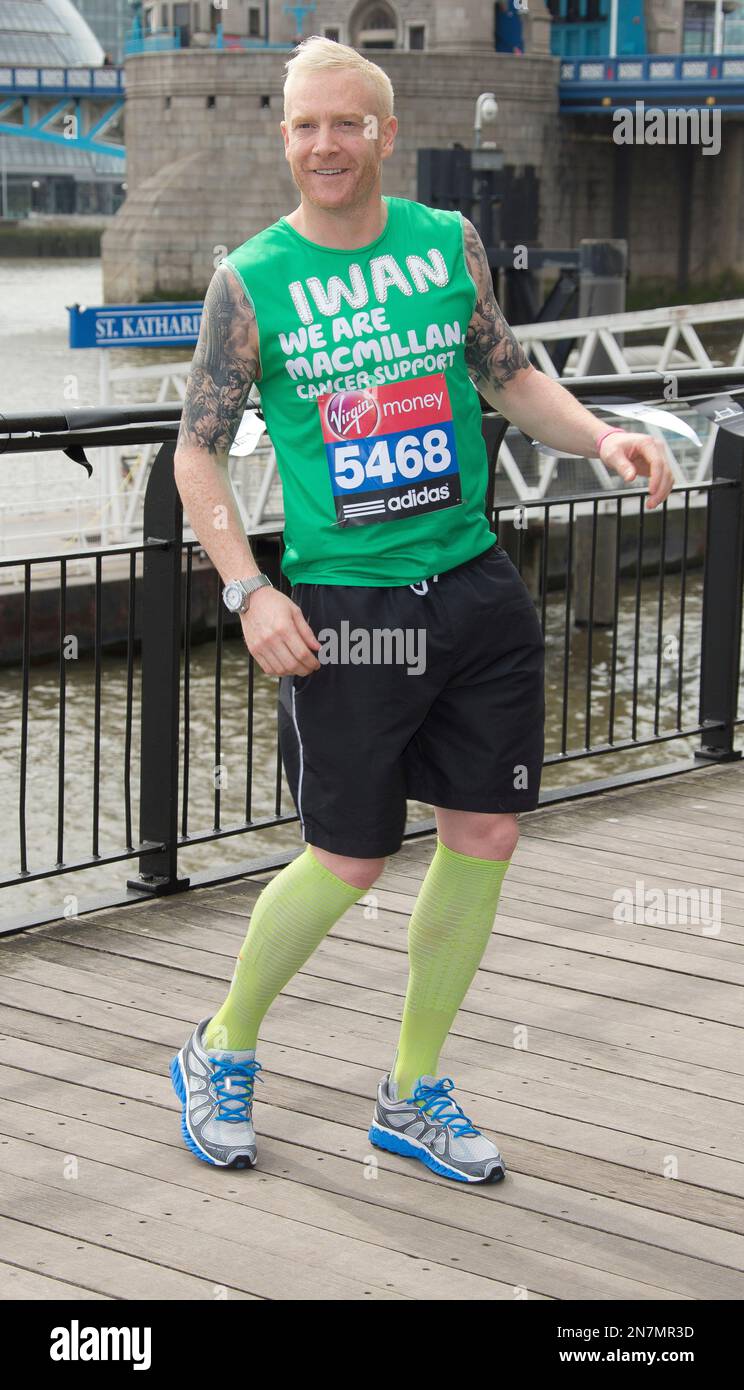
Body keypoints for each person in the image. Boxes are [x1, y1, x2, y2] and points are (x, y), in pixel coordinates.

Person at [170, 36, 673, 1183]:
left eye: (347, 123)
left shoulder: (447, 244)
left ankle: (411, 1089)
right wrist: (250, 590)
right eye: (306, 125)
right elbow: (197, 453)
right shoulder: (252, 281)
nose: (326, 145)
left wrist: (601, 436)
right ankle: (221, 1044)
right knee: (348, 857)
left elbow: (507, 374)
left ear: (386, 134)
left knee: (484, 834)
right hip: (347, 605)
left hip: (475, 585)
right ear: (284, 138)